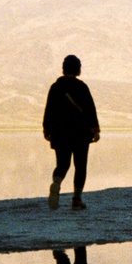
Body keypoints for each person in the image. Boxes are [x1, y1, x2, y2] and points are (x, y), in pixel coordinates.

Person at [42, 54, 100, 210]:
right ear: (78, 70)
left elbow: (49, 110)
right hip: (80, 133)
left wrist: (46, 129)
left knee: (62, 164)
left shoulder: (55, 87)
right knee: (80, 165)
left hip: (60, 133)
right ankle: (76, 200)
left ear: (63, 69)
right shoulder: (82, 87)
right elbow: (90, 110)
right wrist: (95, 129)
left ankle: (56, 183)